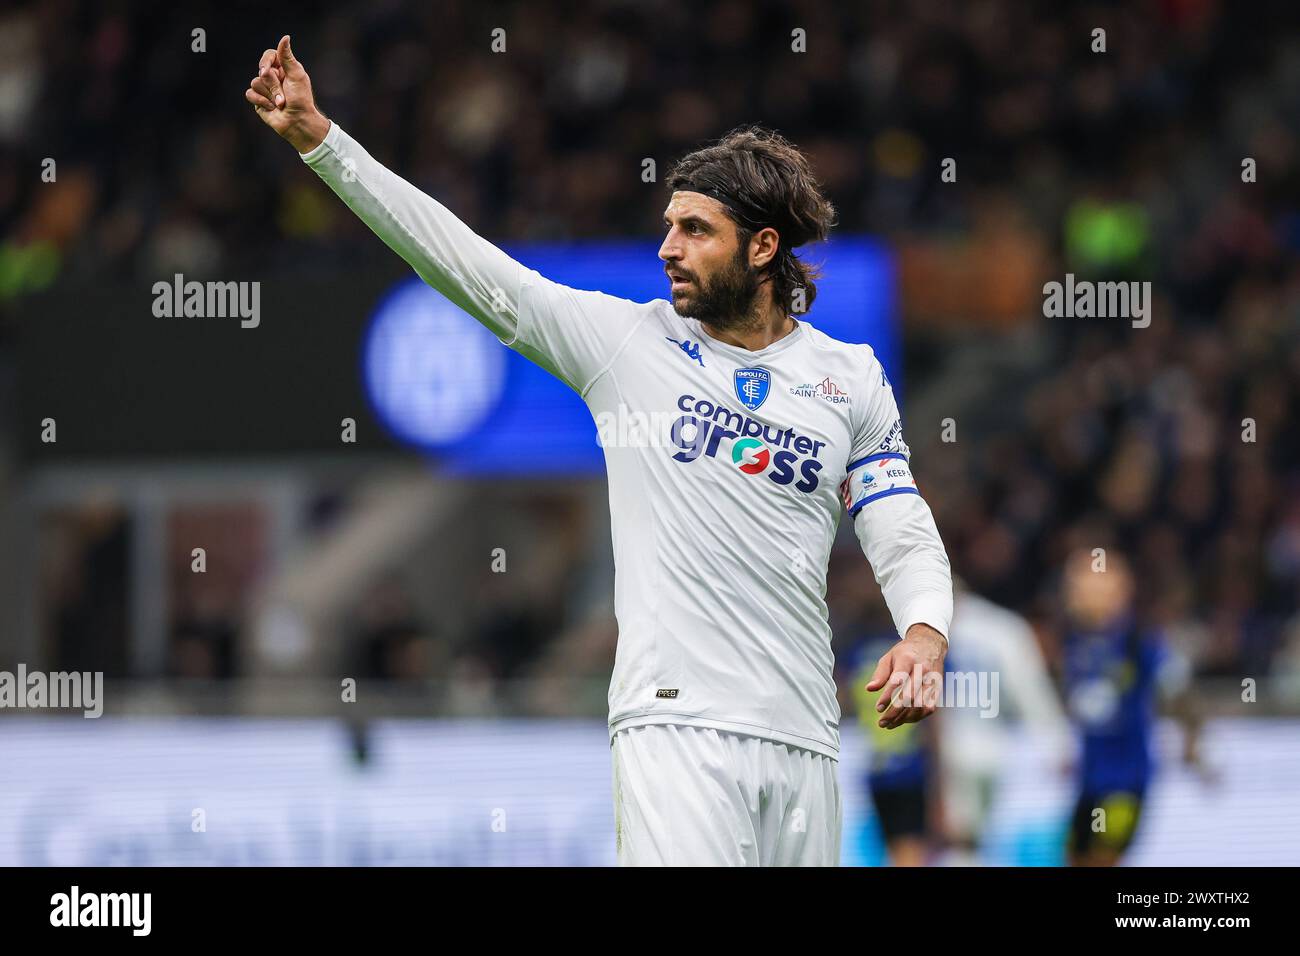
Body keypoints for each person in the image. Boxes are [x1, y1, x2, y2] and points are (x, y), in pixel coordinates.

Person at [245, 36, 953, 866]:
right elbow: (464, 264)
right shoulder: (626, 345)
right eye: (669, 227)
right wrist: (324, 144)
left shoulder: (848, 377)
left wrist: (926, 634)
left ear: (763, 248)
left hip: (804, 735)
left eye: (696, 230)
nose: (669, 248)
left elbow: (897, 521)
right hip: (674, 727)